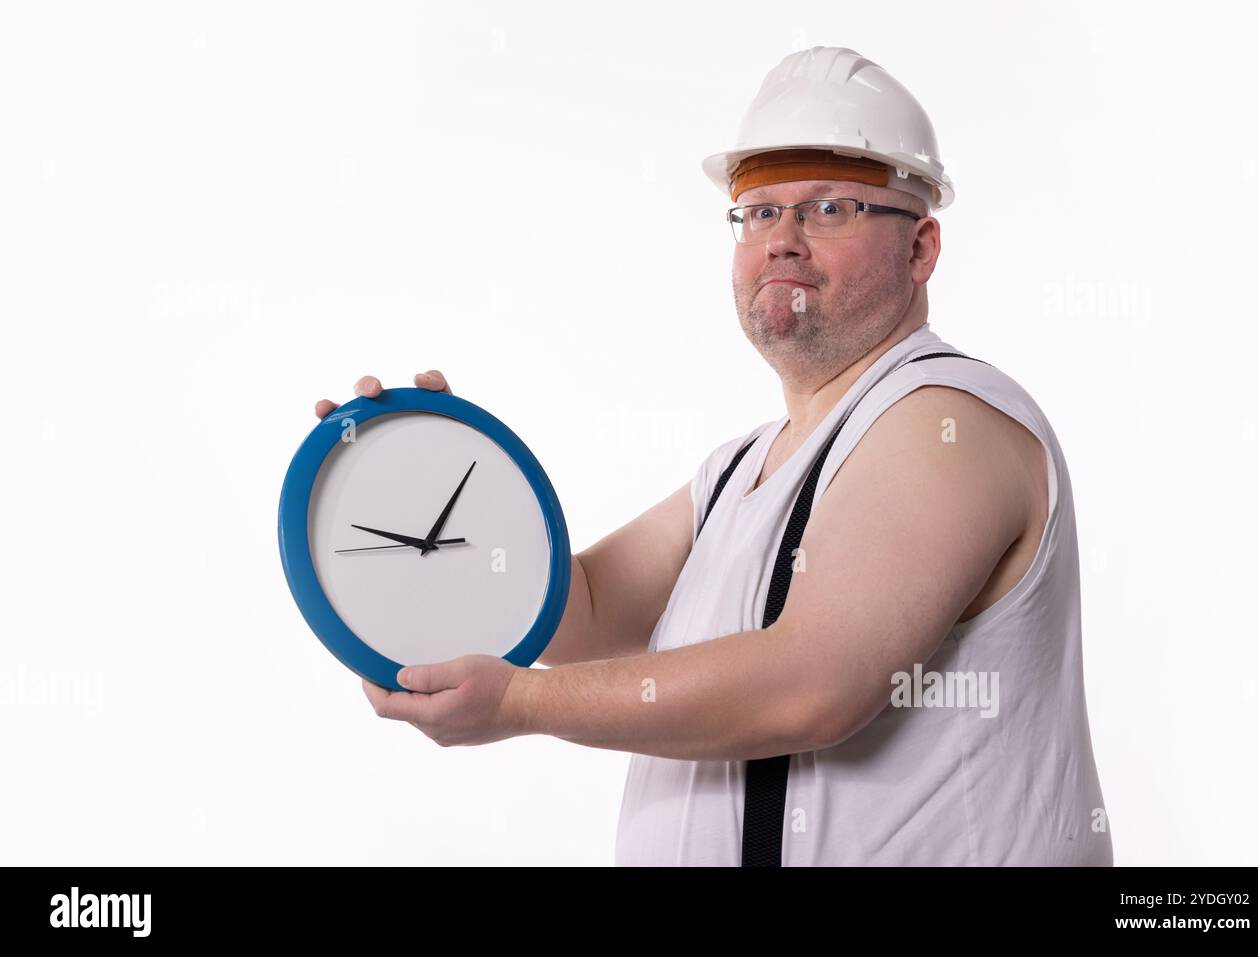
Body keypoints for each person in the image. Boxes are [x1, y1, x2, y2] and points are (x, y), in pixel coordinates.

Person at [314, 47, 1112, 866]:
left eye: (829, 208)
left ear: (921, 250)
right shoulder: (737, 473)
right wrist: (425, 463)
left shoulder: (950, 422)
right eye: (759, 213)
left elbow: (815, 681)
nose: (782, 242)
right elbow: (573, 608)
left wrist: (521, 703)